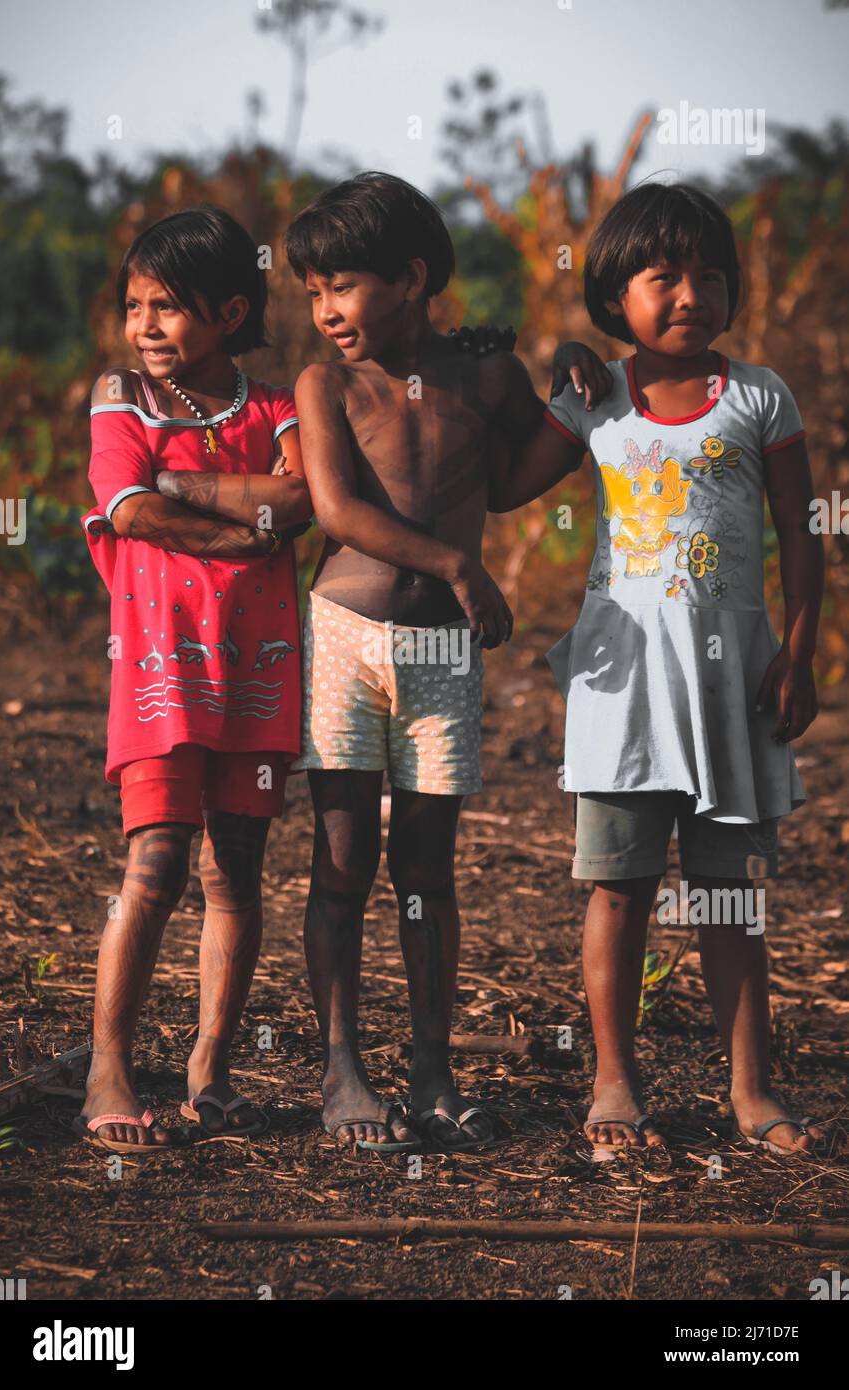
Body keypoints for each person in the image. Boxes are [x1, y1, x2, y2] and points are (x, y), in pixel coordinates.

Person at [488, 182, 827, 1158]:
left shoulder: (759, 395)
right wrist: (539, 376)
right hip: (621, 684)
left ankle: (751, 1093)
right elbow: (510, 486)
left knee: (728, 895)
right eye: (661, 275)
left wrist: (797, 651)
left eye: (708, 276)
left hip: (735, 683)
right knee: (619, 887)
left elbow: (801, 531)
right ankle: (610, 1089)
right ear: (613, 293)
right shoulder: (594, 397)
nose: (689, 294)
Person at [284, 170, 604, 1151]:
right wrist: (454, 565)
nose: (325, 310)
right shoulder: (327, 383)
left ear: (413, 275)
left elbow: (511, 481)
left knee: (426, 864)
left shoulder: (483, 378)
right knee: (342, 861)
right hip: (347, 633)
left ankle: (430, 1074)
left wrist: (576, 392)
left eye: (341, 284)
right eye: (310, 293)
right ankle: (343, 1073)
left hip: (441, 651)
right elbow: (337, 511)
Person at [78, 205, 312, 1151]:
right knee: (156, 864)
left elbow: (300, 500)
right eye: (134, 305)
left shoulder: (275, 406)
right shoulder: (119, 396)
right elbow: (127, 508)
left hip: (256, 672)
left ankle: (210, 1066)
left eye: (167, 307)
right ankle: (107, 1067)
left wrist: (204, 498)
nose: (144, 326)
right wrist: (242, 527)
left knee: (237, 869)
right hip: (161, 668)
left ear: (230, 310)